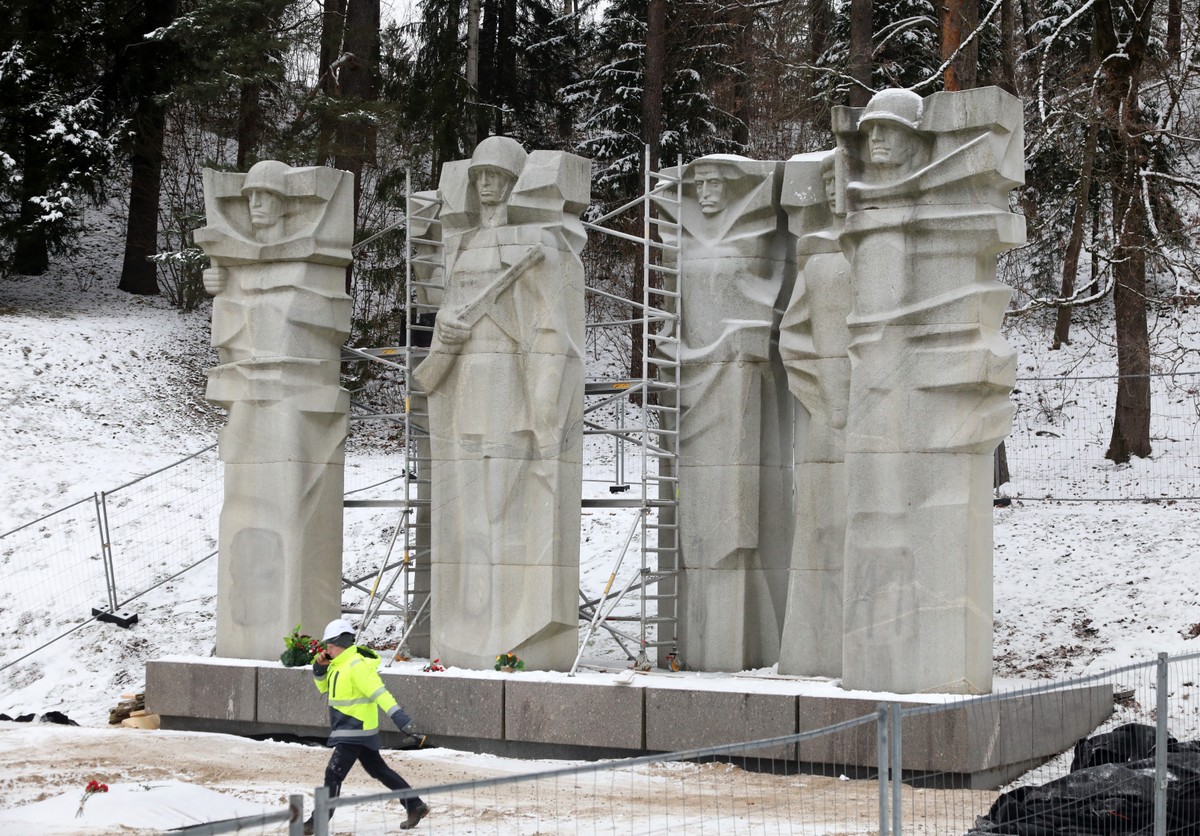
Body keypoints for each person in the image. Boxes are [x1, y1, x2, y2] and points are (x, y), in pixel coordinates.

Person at [304, 618, 429, 833]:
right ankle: (415, 805)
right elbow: (323, 688)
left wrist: (400, 718)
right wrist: (319, 668)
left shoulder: (356, 666)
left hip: (355, 729)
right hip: (350, 728)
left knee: (333, 774)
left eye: (331, 646)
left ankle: (317, 822)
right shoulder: (337, 664)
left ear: (342, 644)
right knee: (379, 770)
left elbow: (380, 693)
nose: (327, 650)